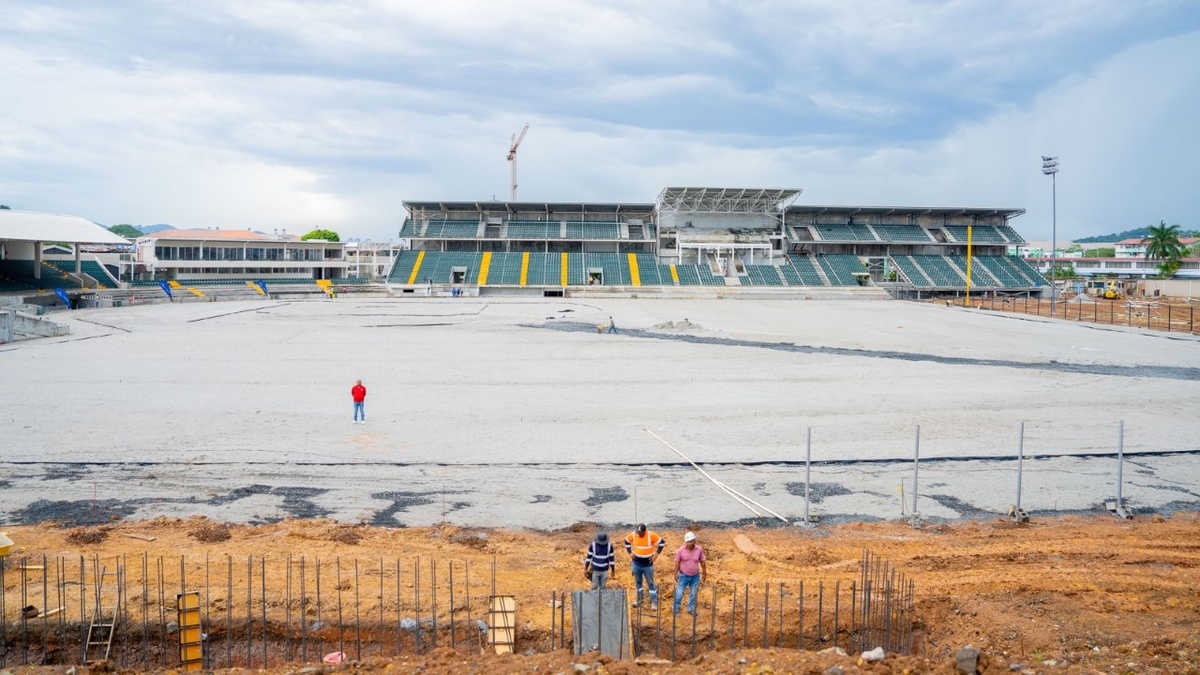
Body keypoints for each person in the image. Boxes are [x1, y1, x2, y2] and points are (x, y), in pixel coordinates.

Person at [624, 523, 665, 609]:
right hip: (636, 564)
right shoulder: (634, 534)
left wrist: (657, 554)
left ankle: (654, 601)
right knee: (638, 584)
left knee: (651, 583)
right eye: (637, 532)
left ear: (644, 531)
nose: (638, 534)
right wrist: (630, 552)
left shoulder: (651, 535)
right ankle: (639, 600)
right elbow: (626, 541)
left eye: (640, 533)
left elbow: (662, 542)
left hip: (647, 565)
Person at [672, 531, 707, 615]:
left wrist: (704, 573)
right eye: (688, 542)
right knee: (679, 593)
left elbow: (702, 561)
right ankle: (675, 608)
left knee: (693, 593)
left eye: (691, 541)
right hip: (683, 575)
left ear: (695, 541)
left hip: (695, 576)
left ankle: (691, 608)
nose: (690, 543)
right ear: (685, 542)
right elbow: (677, 562)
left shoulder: (699, 550)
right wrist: (675, 573)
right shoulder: (681, 550)